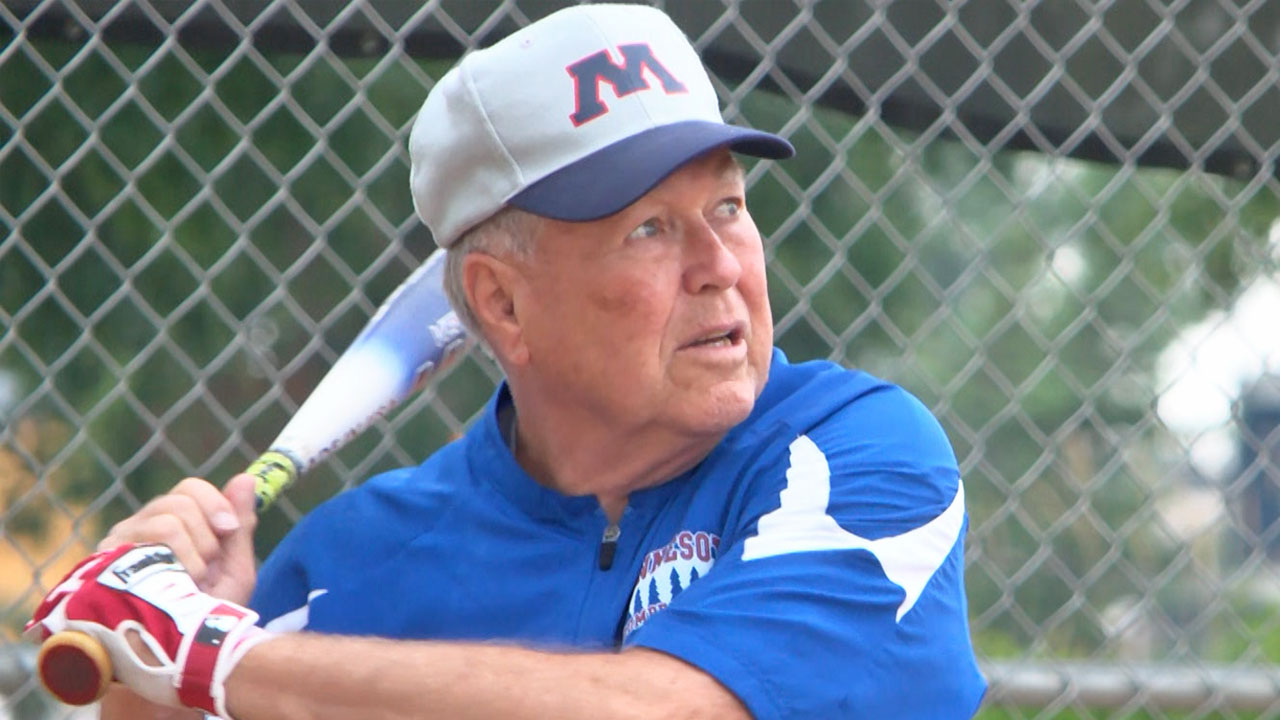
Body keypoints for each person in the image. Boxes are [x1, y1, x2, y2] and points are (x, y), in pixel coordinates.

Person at [27, 4, 987, 718]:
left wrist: (214, 660)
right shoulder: (348, 571)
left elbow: (670, 711)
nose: (721, 266)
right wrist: (154, 680)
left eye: (729, 207)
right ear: (501, 303)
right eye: (650, 229)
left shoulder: (852, 456)